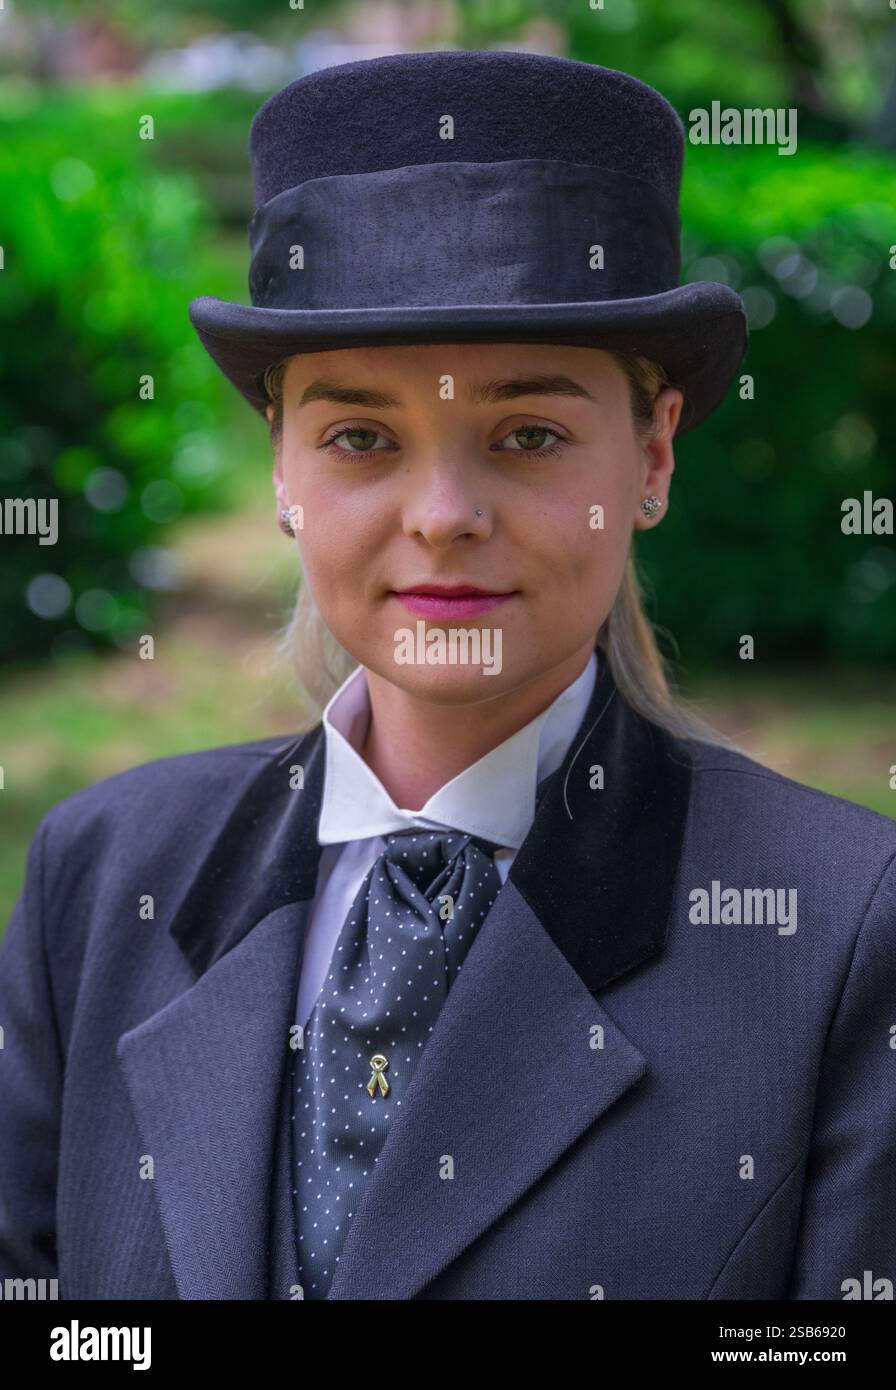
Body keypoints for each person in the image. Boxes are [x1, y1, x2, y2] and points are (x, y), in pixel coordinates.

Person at [1, 49, 894, 1303]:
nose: (441, 514)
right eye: (359, 436)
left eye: (527, 434)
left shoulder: (843, 931)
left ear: (650, 457)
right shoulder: (98, 885)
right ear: (280, 470)